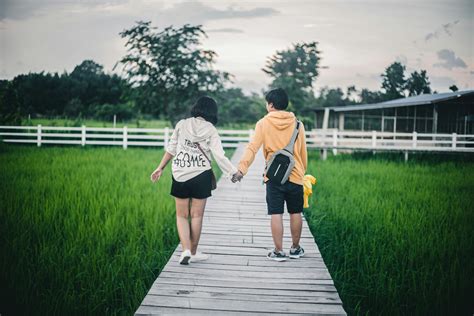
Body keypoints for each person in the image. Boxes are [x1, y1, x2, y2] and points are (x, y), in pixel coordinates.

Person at [150, 96, 238, 265]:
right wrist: (232, 173)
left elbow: (172, 148)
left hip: (180, 175)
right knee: (196, 216)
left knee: (182, 216)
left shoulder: (182, 124)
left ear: (196, 108)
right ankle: (194, 252)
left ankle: (185, 250)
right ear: (212, 112)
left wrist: (160, 167)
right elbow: (219, 155)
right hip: (201, 175)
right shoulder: (211, 129)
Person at [232, 88, 308, 261]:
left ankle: (279, 251)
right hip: (295, 175)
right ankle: (295, 249)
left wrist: (242, 169)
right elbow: (303, 152)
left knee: (276, 213)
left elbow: (252, 148)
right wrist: (301, 173)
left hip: (273, 176)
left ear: (271, 104)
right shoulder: (298, 124)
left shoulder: (263, 123)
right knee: (296, 212)